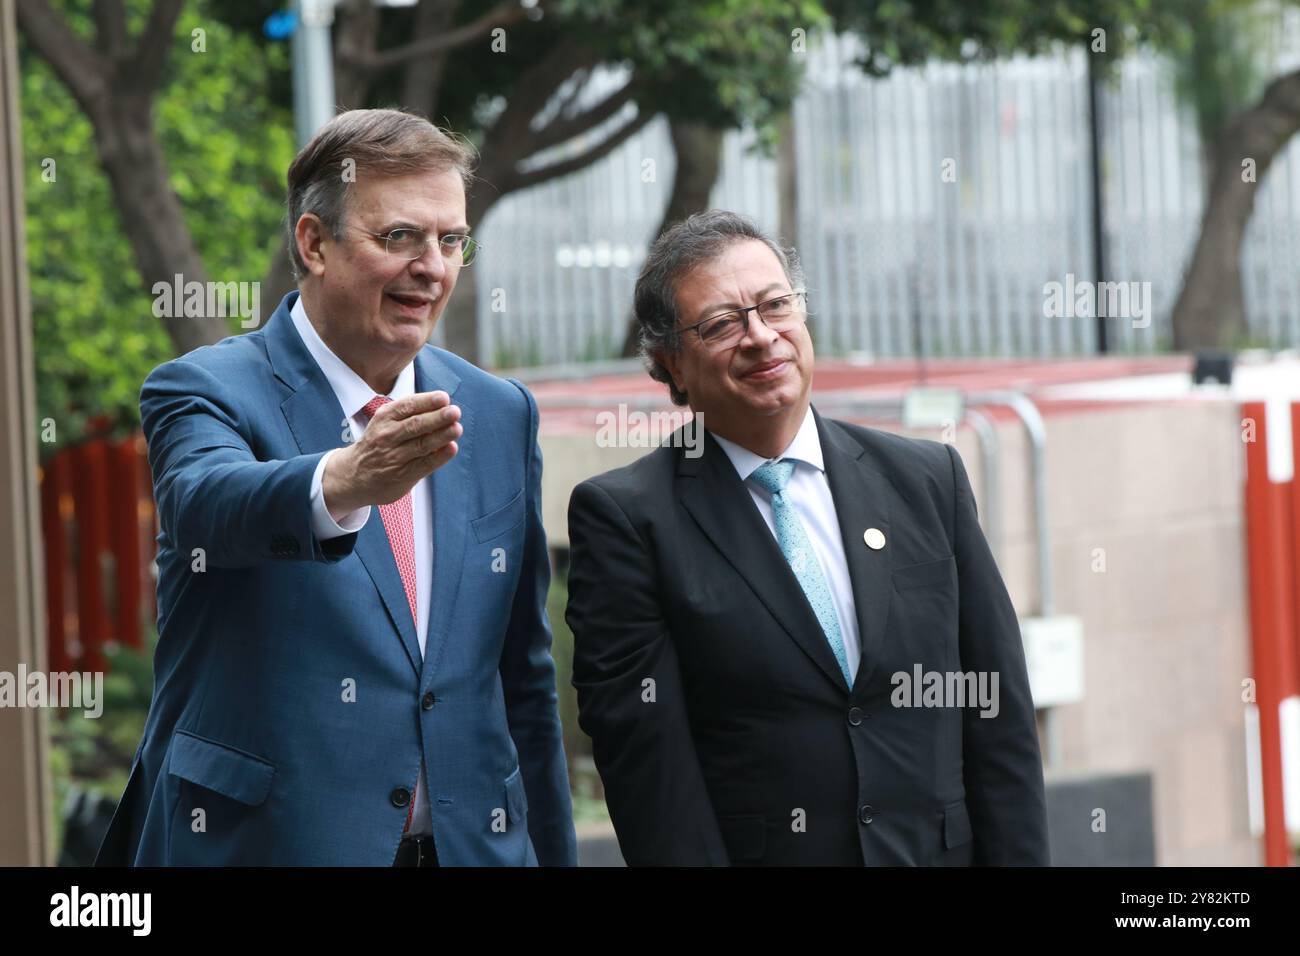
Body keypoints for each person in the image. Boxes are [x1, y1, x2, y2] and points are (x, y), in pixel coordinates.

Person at [96, 109, 576, 867]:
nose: (433, 266)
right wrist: (348, 478)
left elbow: (523, 675)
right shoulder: (204, 388)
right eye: (400, 238)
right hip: (271, 846)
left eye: (451, 241)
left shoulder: (497, 411)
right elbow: (205, 504)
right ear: (314, 244)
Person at [566, 210, 1049, 866]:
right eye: (722, 323)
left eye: (775, 306)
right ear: (669, 364)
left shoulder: (925, 480)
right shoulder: (628, 522)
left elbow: (998, 716)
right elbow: (652, 777)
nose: (761, 338)